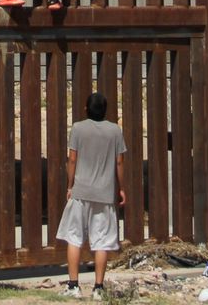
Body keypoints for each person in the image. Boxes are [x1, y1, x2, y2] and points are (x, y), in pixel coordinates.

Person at [57, 92, 126, 300]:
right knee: (102, 240)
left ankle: (73, 285)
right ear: (105, 110)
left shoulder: (78, 128)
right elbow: (119, 162)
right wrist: (121, 188)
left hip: (81, 190)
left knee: (74, 237)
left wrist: (70, 184)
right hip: (104, 192)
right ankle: (98, 288)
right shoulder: (115, 131)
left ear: (86, 109)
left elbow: (72, 159)